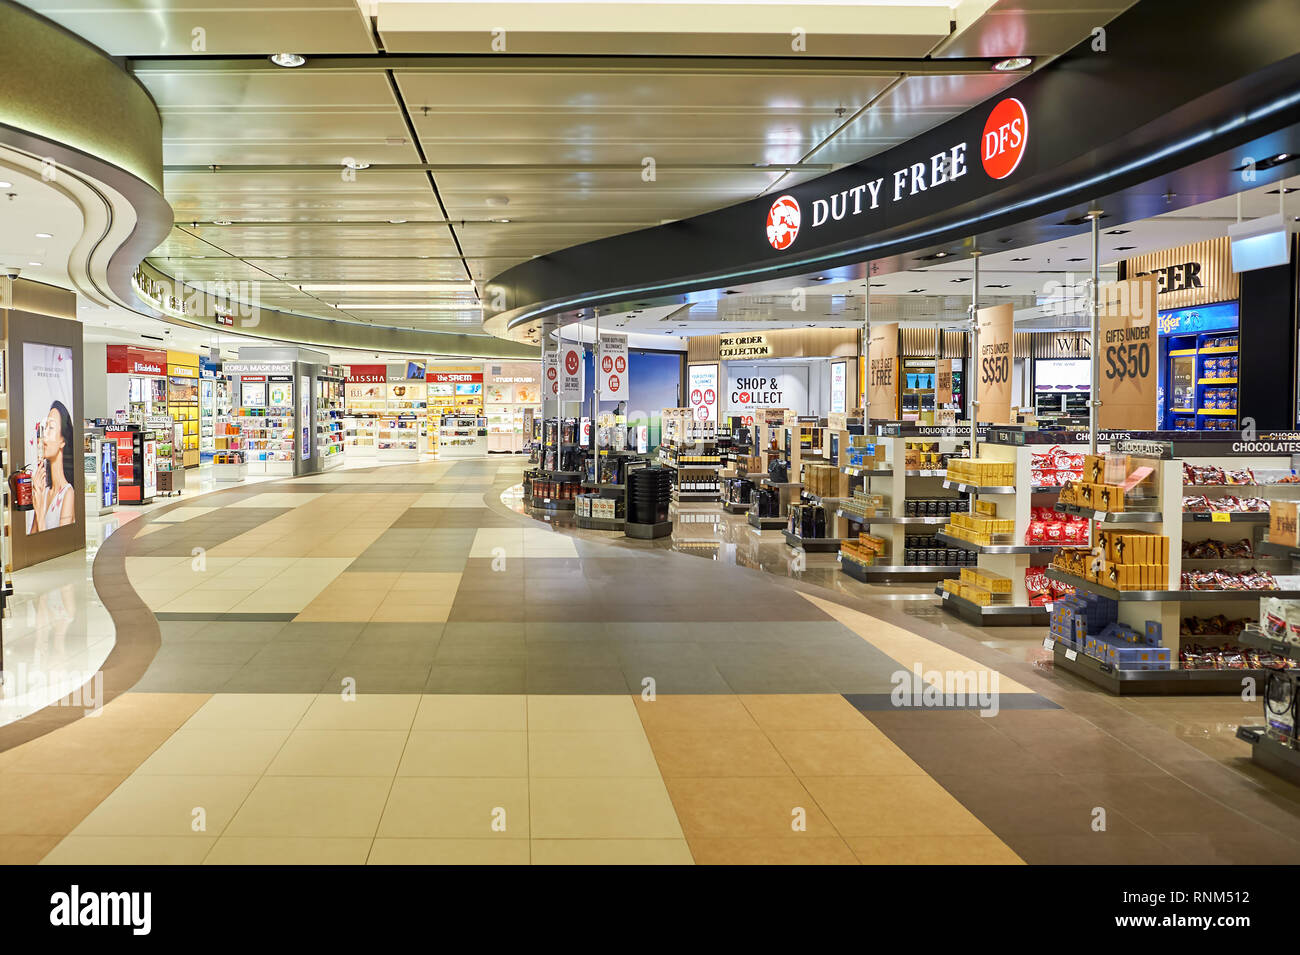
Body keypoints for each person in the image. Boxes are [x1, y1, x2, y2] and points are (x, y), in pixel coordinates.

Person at [31, 400, 75, 532]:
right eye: (45, 427)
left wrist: (39, 510)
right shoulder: (44, 491)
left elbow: (60, 542)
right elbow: (32, 538)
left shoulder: (68, 494)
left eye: (51, 428)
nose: (45, 435)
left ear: (62, 441)